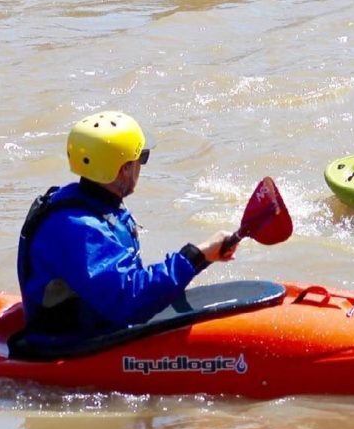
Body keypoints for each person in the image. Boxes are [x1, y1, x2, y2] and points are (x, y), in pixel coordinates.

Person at [16, 112, 237, 350]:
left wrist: (204, 257)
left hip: (99, 320)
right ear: (123, 169)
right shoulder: (80, 229)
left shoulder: (92, 202)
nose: (141, 166)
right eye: (141, 158)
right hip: (72, 345)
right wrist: (196, 255)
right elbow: (129, 301)